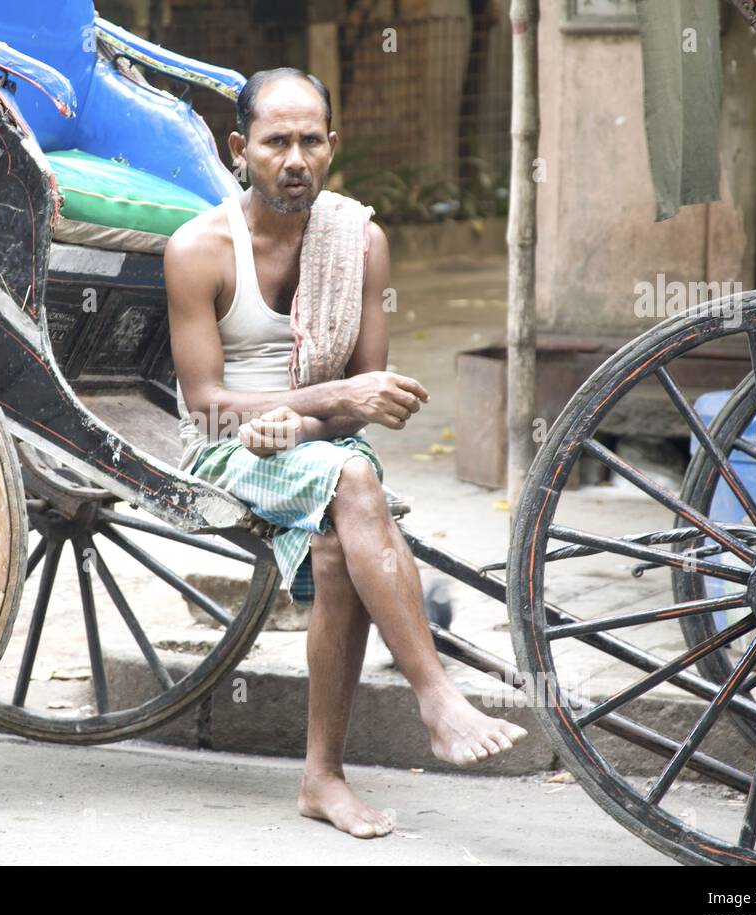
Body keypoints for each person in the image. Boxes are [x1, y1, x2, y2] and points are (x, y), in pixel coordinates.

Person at [165, 67, 528, 839]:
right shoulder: (198, 249)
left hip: (320, 445)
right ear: (240, 148)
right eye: (274, 142)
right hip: (228, 447)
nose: (293, 158)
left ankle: (321, 779)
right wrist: (319, 406)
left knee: (337, 545)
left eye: (308, 141)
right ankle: (436, 696)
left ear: (332, 147)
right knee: (356, 477)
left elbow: (368, 395)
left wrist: (310, 419)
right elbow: (205, 407)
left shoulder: (359, 240)